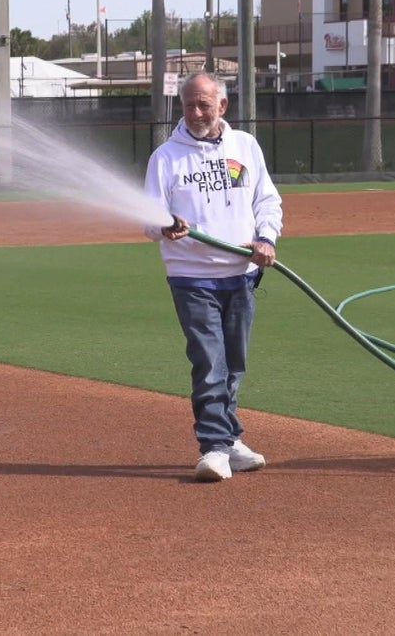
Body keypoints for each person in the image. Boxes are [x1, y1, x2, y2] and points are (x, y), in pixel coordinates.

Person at [142, 72, 284, 482]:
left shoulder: (246, 146)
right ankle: (214, 447)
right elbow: (148, 218)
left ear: (222, 106)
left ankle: (230, 438)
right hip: (191, 276)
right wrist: (163, 226)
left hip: (241, 274)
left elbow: (267, 200)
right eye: (189, 105)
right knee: (209, 362)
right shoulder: (166, 157)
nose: (196, 112)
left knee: (234, 364)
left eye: (204, 104)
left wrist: (266, 238)